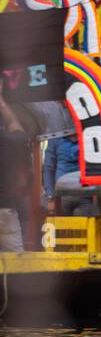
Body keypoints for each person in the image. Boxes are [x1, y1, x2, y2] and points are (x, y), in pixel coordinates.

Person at [0, 91, 30, 251]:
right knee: (16, 261)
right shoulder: (10, 141)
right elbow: (15, 125)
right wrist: (1, 101)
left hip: (8, 209)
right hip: (6, 210)